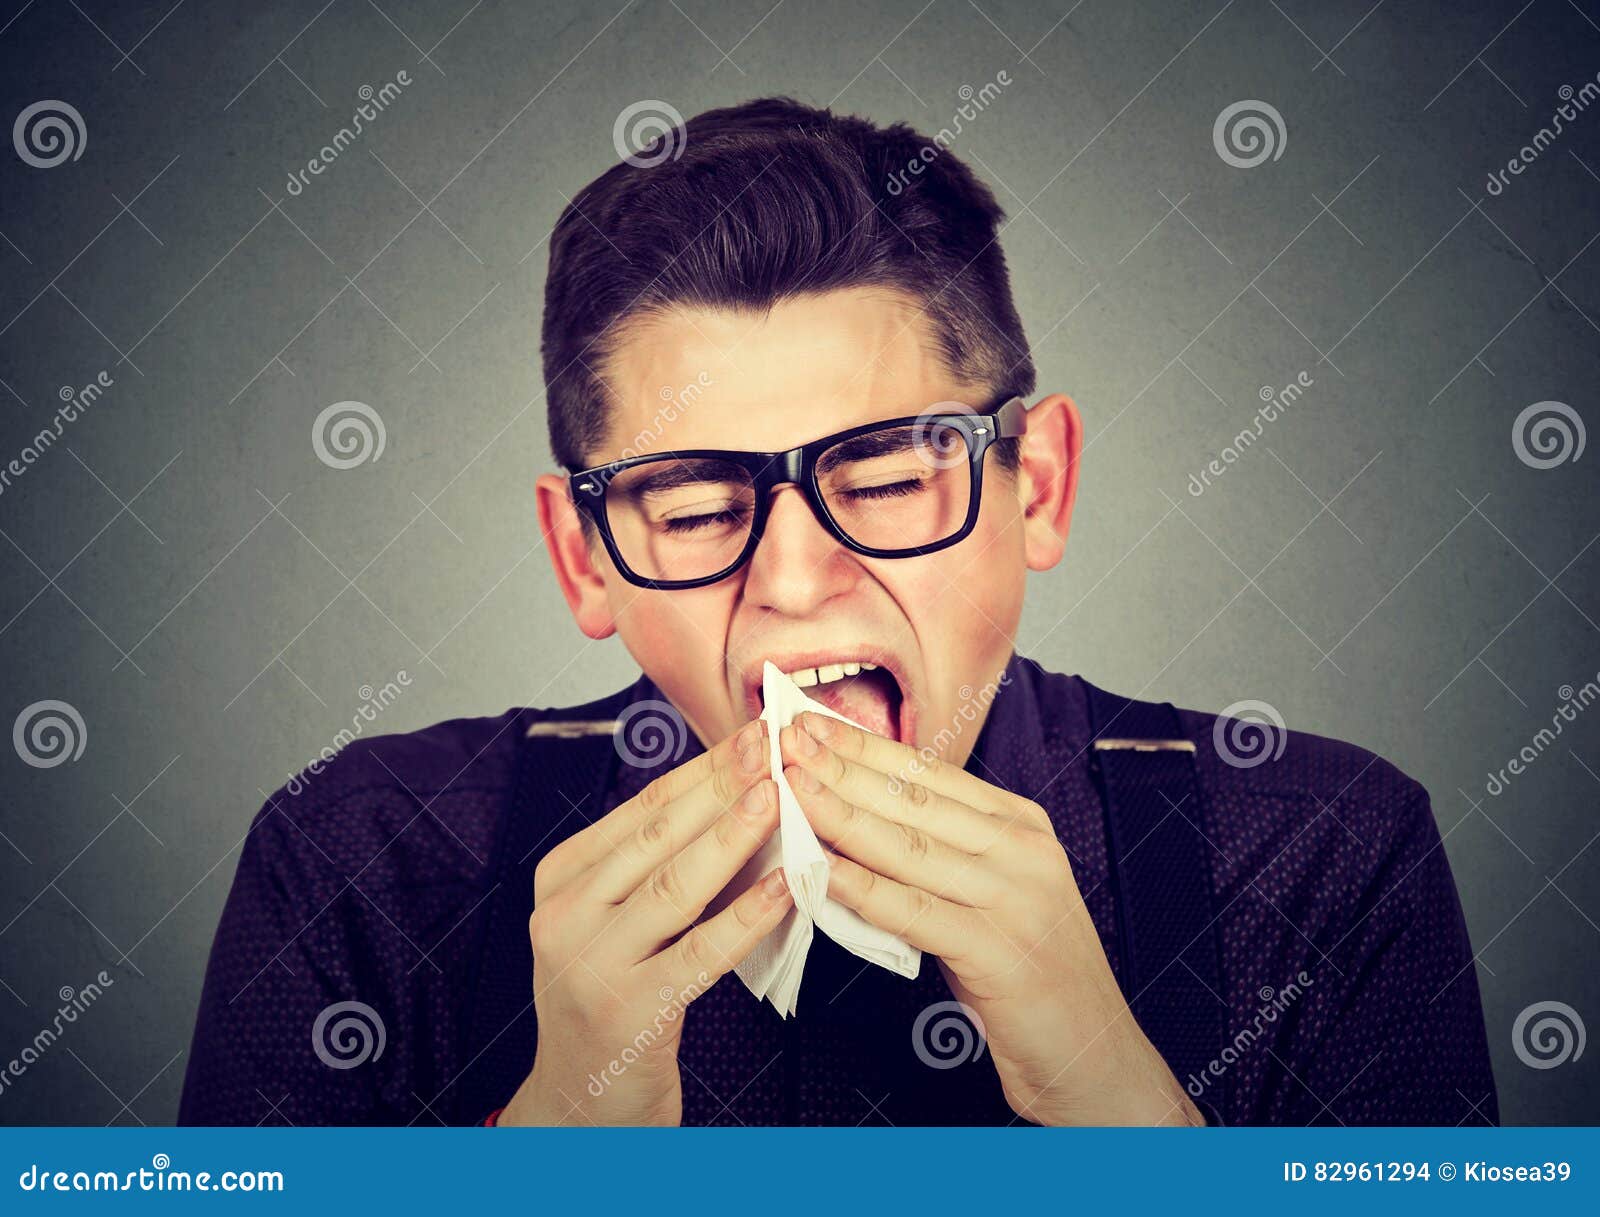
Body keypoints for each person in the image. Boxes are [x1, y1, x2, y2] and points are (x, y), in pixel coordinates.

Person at [179, 97, 1497, 1127]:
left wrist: (1117, 1104)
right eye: (695, 510)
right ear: (584, 558)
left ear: (1035, 483)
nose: (798, 579)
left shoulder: (1329, 857)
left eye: (882, 478)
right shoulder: (357, 864)